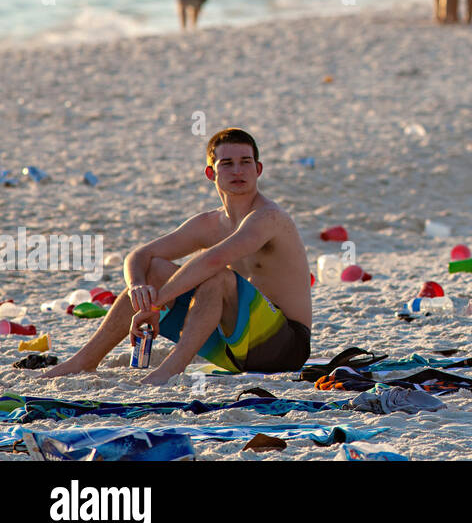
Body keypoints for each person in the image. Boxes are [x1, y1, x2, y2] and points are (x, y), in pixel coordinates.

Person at [42, 128, 311, 384]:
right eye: (227, 163)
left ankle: (170, 369)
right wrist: (138, 287)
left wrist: (155, 305)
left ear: (258, 169)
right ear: (210, 173)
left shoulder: (268, 217)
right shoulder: (209, 223)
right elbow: (140, 255)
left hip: (284, 347)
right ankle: (85, 360)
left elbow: (214, 260)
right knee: (154, 270)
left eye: (246, 162)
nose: (238, 170)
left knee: (217, 275)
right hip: (232, 349)